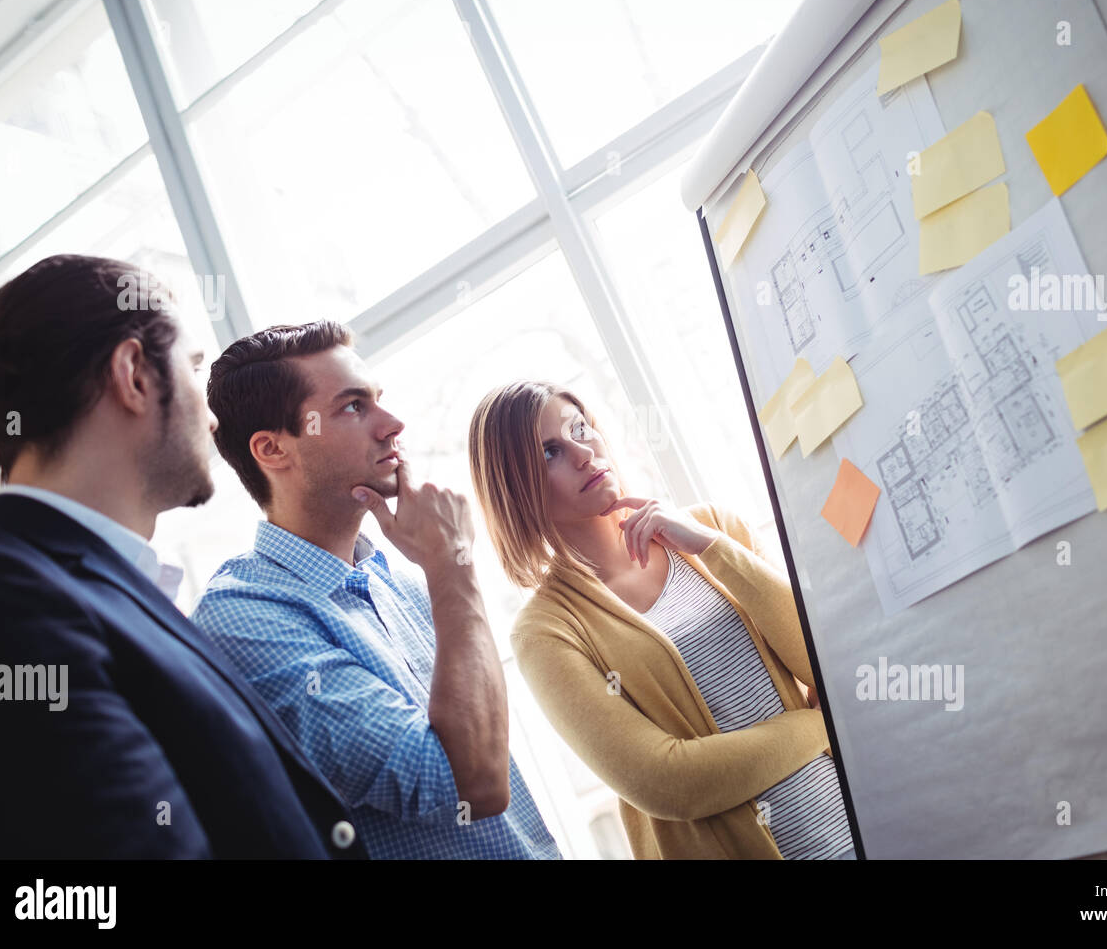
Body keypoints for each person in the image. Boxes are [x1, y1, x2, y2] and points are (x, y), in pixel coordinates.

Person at [0, 254, 365, 858]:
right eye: (193, 367)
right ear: (134, 375)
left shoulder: (90, 587)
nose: (210, 417)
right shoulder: (0, 601)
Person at [192, 321, 560, 860]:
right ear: (272, 449)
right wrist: (454, 566)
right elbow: (469, 783)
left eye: (378, 400)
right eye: (352, 407)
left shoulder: (402, 579)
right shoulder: (242, 615)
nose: (392, 424)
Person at [468, 379, 856, 859]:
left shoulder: (712, 529)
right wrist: (822, 725)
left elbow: (823, 659)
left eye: (580, 428)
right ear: (514, 489)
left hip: (872, 821)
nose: (584, 454)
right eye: (550, 452)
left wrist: (711, 549)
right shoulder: (545, 633)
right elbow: (670, 782)